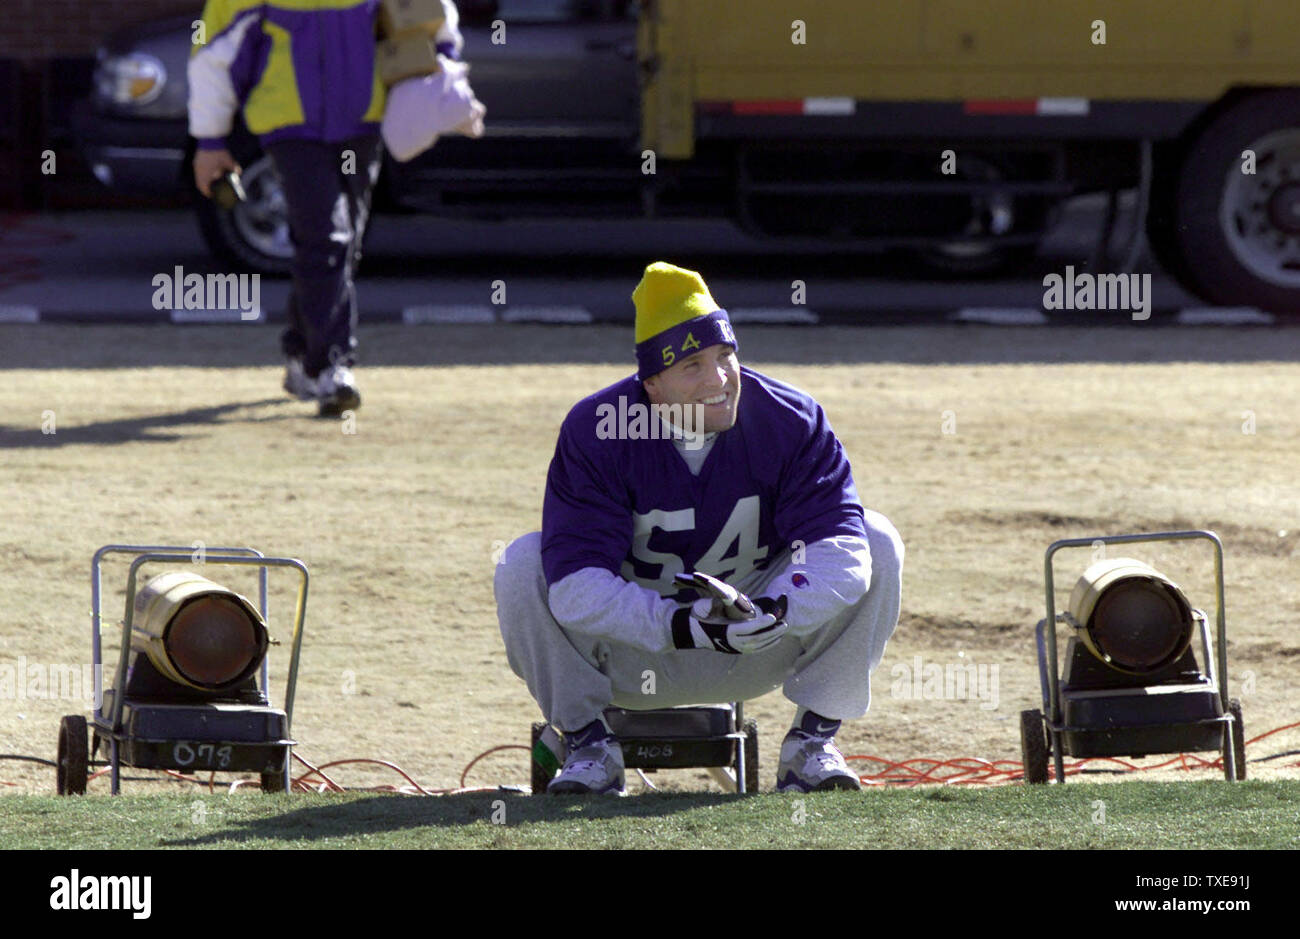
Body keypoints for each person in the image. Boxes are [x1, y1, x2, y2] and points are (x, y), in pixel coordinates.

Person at [495, 262, 904, 794]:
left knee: (877, 539)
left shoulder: (790, 419)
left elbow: (843, 550)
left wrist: (776, 609)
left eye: (725, 356)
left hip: (759, 644)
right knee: (521, 563)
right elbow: (574, 588)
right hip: (636, 648)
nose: (719, 379)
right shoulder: (598, 428)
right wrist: (684, 624)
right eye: (692, 365)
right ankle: (588, 743)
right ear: (653, 384)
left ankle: (812, 742)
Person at [187, 0, 463, 416]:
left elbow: (431, 15)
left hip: (364, 122)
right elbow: (212, 54)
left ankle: (301, 355)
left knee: (338, 244)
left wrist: (444, 62)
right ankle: (331, 366)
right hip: (289, 125)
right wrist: (209, 142)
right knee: (327, 238)